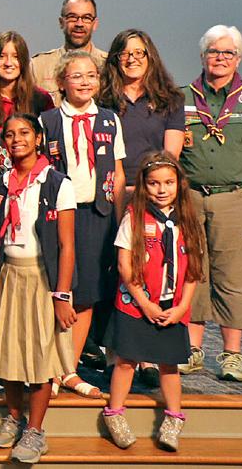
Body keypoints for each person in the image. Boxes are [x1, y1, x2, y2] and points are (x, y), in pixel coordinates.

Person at [0, 114, 76, 464]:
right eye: (9, 134)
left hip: (41, 280)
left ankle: (35, 430)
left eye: (24, 133)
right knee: (9, 351)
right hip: (9, 275)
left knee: (38, 357)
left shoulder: (56, 183)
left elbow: (66, 245)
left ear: (39, 138)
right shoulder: (2, 182)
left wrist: (62, 295)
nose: (16, 139)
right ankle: (14, 416)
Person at [102, 153, 204, 452]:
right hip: (136, 305)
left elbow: (193, 270)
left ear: (179, 184)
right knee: (126, 362)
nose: (162, 189)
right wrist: (145, 303)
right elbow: (124, 266)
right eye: (154, 183)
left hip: (172, 306)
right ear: (143, 186)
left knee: (169, 365)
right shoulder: (133, 218)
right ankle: (115, 414)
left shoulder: (188, 221)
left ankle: (173, 419)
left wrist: (183, 307)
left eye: (169, 183)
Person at [39, 50, 126, 398]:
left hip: (97, 214)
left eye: (91, 75)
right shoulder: (46, 121)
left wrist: (120, 220)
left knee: (86, 292)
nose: (85, 82)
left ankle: (68, 369)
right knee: (57, 287)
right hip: (59, 213)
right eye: (76, 76)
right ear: (62, 82)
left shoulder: (109, 120)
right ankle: (47, 365)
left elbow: (117, 175)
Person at [178, 25, 242, 382]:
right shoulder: (180, 98)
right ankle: (192, 350)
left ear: (238, 59)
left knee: (234, 279)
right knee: (193, 273)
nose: (220, 58)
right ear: (202, 56)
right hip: (192, 197)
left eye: (228, 53)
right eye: (214, 51)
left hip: (238, 198)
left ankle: (232, 355)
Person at [98, 29, 184, 191]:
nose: (132, 59)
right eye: (124, 54)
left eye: (138, 53)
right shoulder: (101, 100)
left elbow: (170, 157)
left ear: (150, 56)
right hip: (110, 190)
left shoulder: (171, 99)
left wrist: (149, 188)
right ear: (115, 60)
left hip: (152, 190)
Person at [31, 0, 107, 104]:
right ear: (61, 22)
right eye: (72, 17)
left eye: (86, 18)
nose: (79, 24)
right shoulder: (39, 66)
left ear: (95, 24)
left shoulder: (109, 65)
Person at [0, 32, 54, 141]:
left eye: (16, 57)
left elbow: (51, 139)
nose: (8, 63)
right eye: (2, 57)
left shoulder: (41, 99)